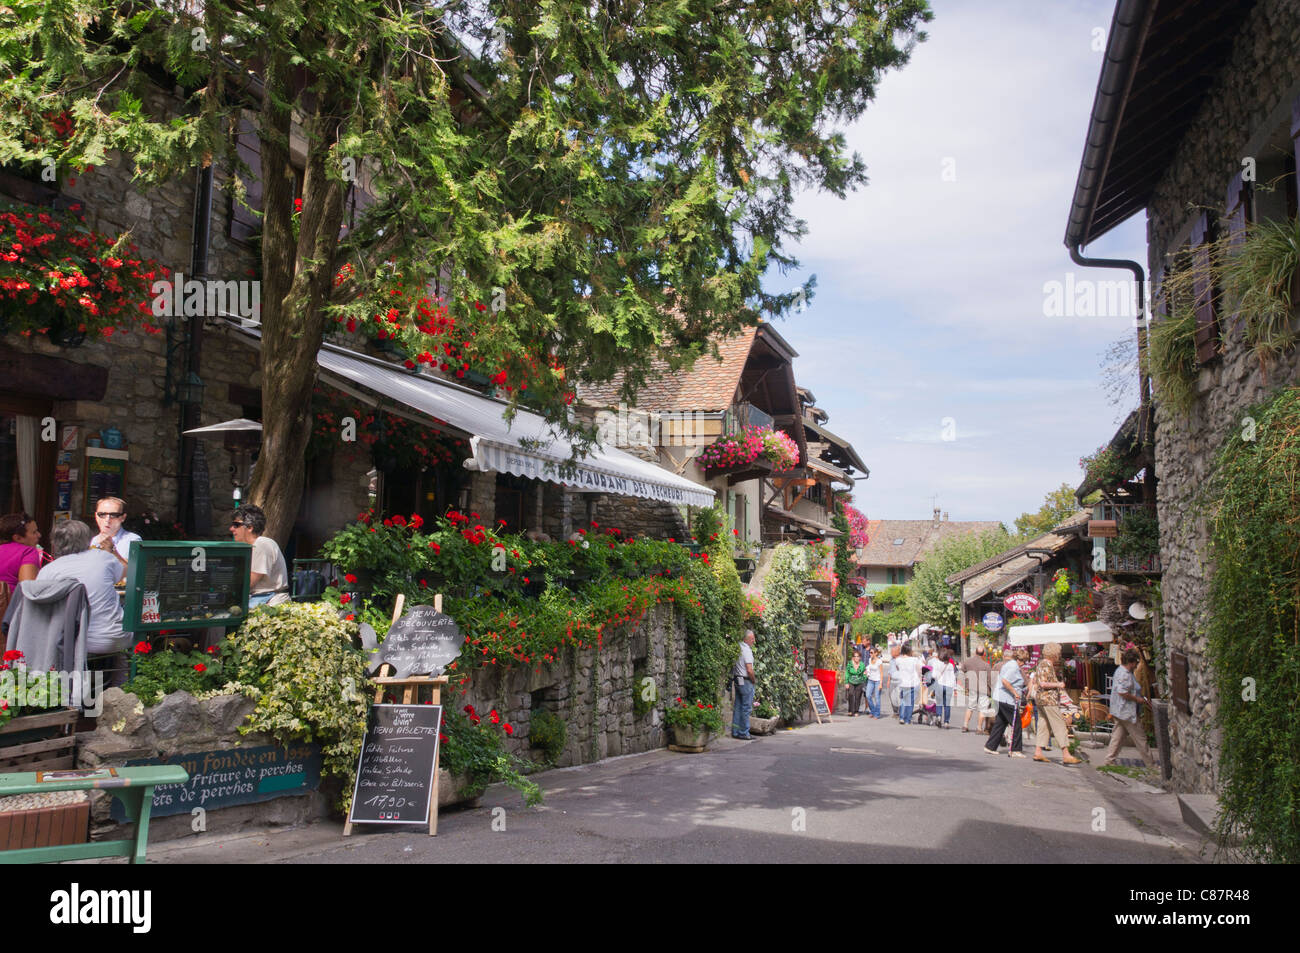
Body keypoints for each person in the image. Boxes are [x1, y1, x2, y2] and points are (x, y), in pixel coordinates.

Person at [34, 520, 128, 682]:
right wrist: (112, 550)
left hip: (72, 644)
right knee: (121, 658)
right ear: (87, 540)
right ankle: (120, 693)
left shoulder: (48, 571)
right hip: (114, 638)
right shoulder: (103, 558)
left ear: (55, 543)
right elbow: (125, 572)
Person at [1103, 647, 1155, 768]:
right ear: (1131, 662)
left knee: (1118, 736)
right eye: (1136, 663)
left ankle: (1109, 760)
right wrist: (1137, 699)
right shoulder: (1125, 674)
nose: (1137, 665)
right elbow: (1122, 692)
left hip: (1118, 711)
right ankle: (1150, 764)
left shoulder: (1120, 671)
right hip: (1127, 711)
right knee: (1140, 738)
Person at [1032, 644, 1083, 765]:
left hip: (1041, 700)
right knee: (1059, 724)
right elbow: (1043, 683)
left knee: (1043, 725)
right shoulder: (1046, 665)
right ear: (1054, 653)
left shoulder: (1042, 664)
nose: (1059, 656)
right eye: (1058, 653)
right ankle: (1066, 754)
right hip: (1049, 700)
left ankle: (1038, 752)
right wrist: (1058, 684)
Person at [230, 505, 289, 606]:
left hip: (269, 602)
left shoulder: (261, 544)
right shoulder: (254, 546)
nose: (231, 529)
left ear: (249, 527)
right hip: (261, 599)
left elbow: (248, 583)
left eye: (236, 525)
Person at [985, 648, 1028, 758]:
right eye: (1024, 661)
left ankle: (990, 746)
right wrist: (1015, 692)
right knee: (1017, 724)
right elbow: (1005, 681)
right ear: (1019, 659)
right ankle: (1015, 749)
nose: (1024, 664)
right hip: (1006, 699)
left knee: (1001, 722)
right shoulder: (1013, 667)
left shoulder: (1010, 664)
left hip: (1000, 697)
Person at [90, 497, 142, 568]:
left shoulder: (132, 541)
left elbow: (133, 572)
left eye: (114, 515)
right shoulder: (93, 541)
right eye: (102, 514)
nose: (107, 520)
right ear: (96, 516)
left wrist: (112, 551)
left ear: (123, 517)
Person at [0, 512, 42, 586]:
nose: (39, 535)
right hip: (12, 597)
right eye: (34, 532)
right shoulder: (27, 552)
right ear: (18, 538)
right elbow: (28, 588)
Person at [961, 642, 993, 733]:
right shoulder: (986, 665)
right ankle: (979, 728)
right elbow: (989, 679)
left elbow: (962, 672)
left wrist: (965, 682)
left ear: (975, 652)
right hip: (983, 689)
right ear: (983, 654)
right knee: (982, 708)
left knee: (970, 707)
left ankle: (965, 725)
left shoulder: (968, 662)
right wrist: (992, 690)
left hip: (972, 687)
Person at [731, 630, 757, 740]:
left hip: (738, 678)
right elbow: (749, 669)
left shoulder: (738, 647)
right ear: (746, 639)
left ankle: (735, 731)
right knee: (746, 707)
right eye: (752, 639)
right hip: (746, 680)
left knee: (738, 705)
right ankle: (744, 732)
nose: (754, 641)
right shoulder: (747, 650)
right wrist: (753, 680)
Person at [931, 645, 957, 728]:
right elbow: (953, 677)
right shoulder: (950, 665)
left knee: (939, 703)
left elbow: (934, 675)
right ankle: (946, 722)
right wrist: (955, 688)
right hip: (949, 686)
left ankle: (939, 716)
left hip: (940, 685)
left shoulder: (937, 664)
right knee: (947, 705)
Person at [896, 643, 922, 725]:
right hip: (912, 683)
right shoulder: (914, 660)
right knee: (910, 702)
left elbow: (898, 668)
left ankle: (901, 717)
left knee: (903, 700)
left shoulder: (898, 660)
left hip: (903, 683)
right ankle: (907, 719)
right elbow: (919, 671)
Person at [845, 649, 868, 717]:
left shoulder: (862, 665)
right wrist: (846, 682)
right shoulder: (849, 664)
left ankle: (856, 710)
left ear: (860, 657)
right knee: (851, 694)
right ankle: (850, 710)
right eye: (855, 656)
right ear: (853, 657)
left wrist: (865, 676)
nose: (856, 658)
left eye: (858, 656)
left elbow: (864, 674)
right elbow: (847, 673)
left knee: (858, 697)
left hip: (859, 682)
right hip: (851, 681)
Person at [865, 646, 883, 718]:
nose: (870, 654)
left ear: (876, 653)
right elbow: (869, 668)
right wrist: (867, 672)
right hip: (870, 680)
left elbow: (881, 672)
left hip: (877, 681)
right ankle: (873, 710)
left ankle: (877, 714)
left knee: (877, 697)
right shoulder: (870, 660)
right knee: (868, 695)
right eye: (870, 652)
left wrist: (881, 684)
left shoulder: (879, 661)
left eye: (872, 653)